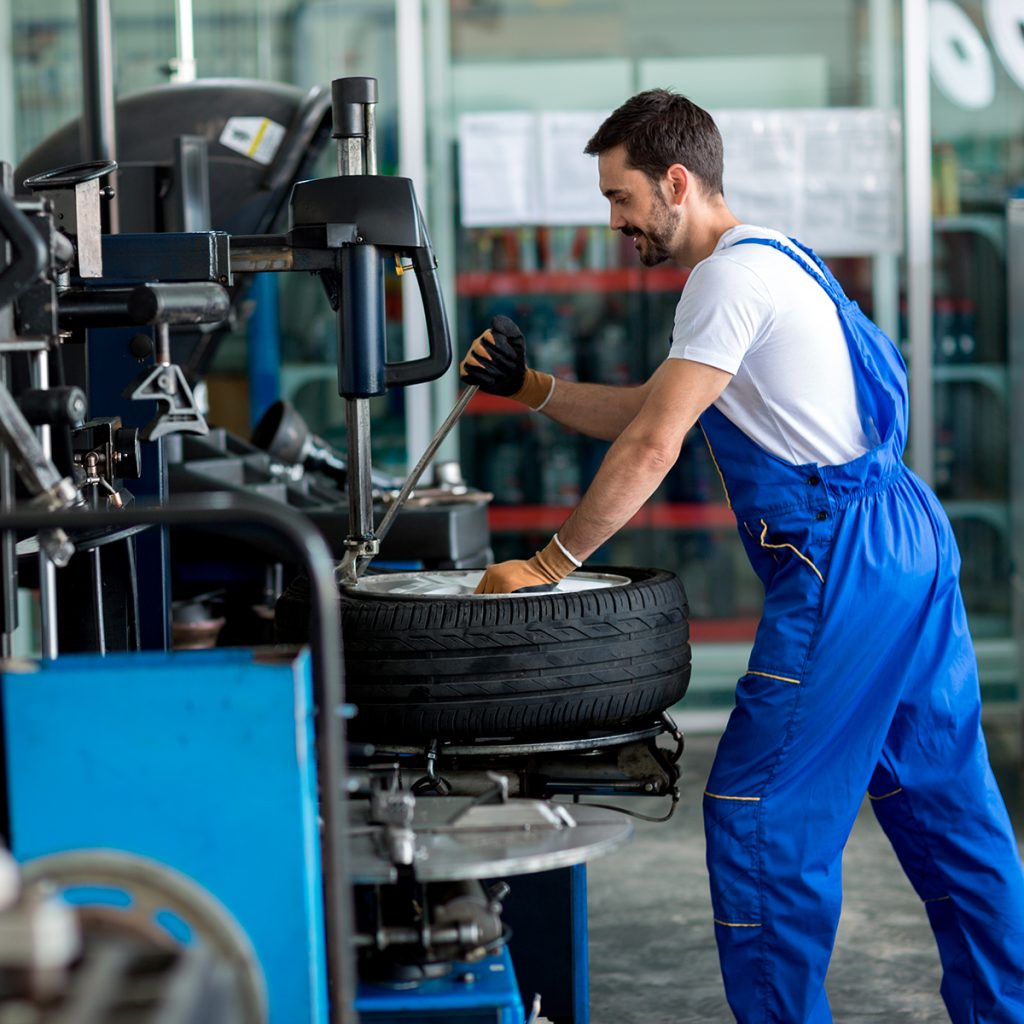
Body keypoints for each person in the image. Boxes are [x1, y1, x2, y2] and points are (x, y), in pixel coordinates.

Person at [459, 89, 1024, 1023]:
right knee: (945, 802)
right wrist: (531, 388)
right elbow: (655, 408)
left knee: (758, 812)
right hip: (905, 540)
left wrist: (550, 564)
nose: (616, 222)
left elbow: (654, 446)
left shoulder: (724, 281)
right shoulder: (775, 256)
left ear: (676, 183)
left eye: (622, 197)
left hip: (843, 562)